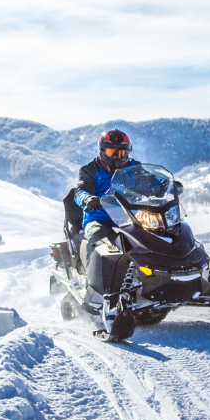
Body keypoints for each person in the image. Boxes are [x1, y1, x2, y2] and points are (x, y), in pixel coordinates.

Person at [72, 128, 134, 322]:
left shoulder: (133, 168)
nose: (116, 157)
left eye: (121, 153)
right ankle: (95, 290)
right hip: (99, 218)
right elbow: (80, 190)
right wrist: (87, 198)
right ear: (102, 151)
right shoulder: (90, 170)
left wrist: (167, 185)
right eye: (112, 153)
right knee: (98, 242)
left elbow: (151, 180)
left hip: (129, 217)